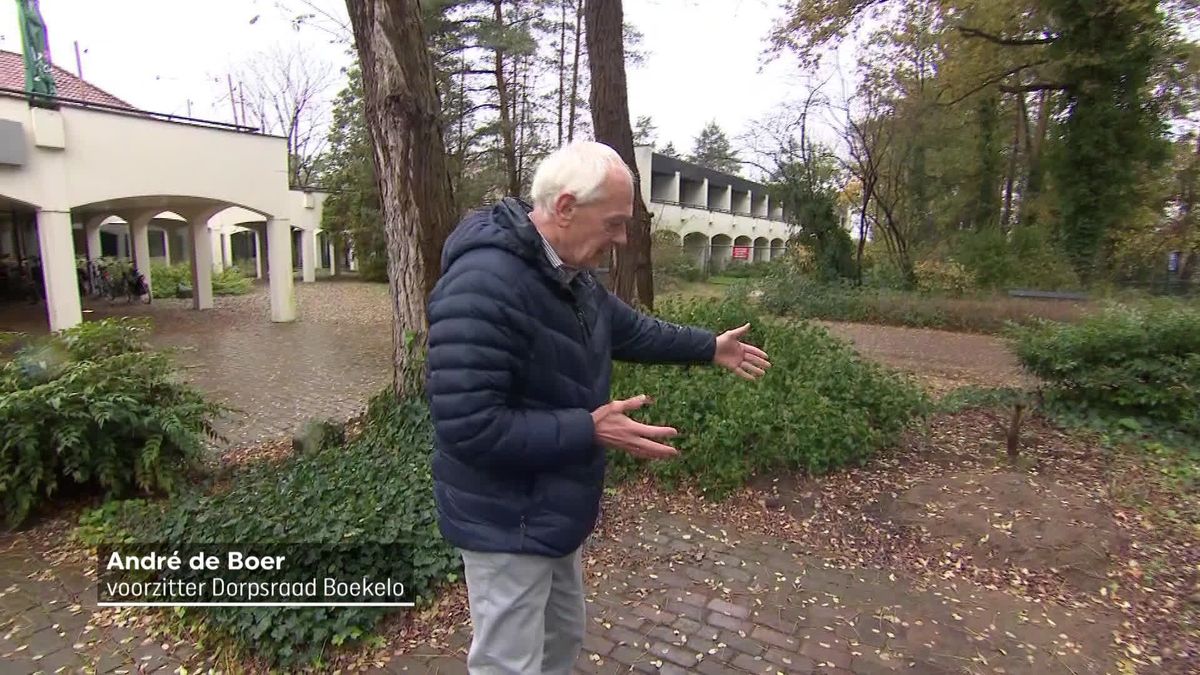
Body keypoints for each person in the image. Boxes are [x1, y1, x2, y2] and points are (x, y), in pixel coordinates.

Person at [425, 139, 771, 674]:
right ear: (565, 208)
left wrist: (709, 347)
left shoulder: (567, 274)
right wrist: (588, 429)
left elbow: (629, 328)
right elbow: (468, 426)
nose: (621, 239)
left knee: (561, 640)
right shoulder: (481, 287)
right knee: (507, 664)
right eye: (613, 223)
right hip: (503, 518)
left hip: (552, 508)